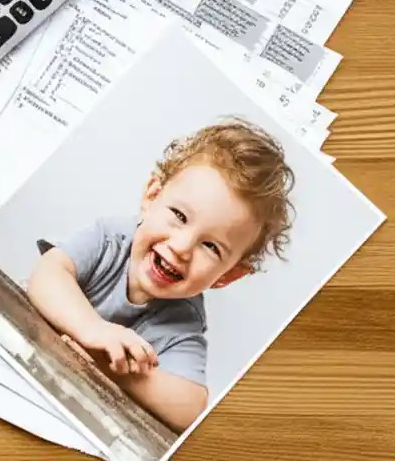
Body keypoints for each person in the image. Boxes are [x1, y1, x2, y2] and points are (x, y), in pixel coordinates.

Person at [26, 119, 294, 432]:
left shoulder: (182, 322)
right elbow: (47, 275)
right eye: (179, 216)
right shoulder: (110, 240)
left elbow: (189, 408)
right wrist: (94, 330)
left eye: (210, 246)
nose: (181, 247)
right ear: (152, 196)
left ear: (228, 275)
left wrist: (110, 363)